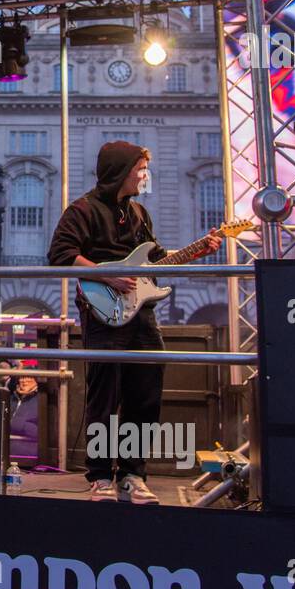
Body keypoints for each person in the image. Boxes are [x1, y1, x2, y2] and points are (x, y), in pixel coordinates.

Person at [48, 141, 220, 504]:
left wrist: (197, 250)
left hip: (141, 313)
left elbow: (156, 258)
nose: (145, 175)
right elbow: (60, 254)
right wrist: (107, 276)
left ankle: (131, 474)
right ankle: (99, 477)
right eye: (139, 169)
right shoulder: (82, 210)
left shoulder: (139, 213)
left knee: (145, 395)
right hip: (101, 311)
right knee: (103, 396)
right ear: (121, 172)